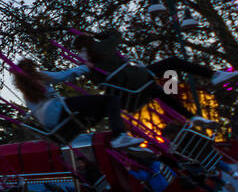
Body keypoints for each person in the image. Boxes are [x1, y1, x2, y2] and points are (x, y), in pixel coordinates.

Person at [73, 29, 236, 116]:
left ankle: (191, 117)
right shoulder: (102, 47)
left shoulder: (87, 64)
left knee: (158, 90)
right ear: (90, 41)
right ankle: (213, 75)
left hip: (126, 95)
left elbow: (98, 82)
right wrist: (98, 35)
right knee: (172, 63)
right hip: (139, 78)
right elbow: (116, 34)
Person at [12, 59, 141, 149]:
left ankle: (117, 136)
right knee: (111, 100)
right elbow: (64, 76)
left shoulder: (26, 94)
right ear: (32, 69)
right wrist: (85, 67)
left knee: (97, 109)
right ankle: (120, 135)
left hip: (49, 122)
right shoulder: (40, 76)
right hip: (58, 108)